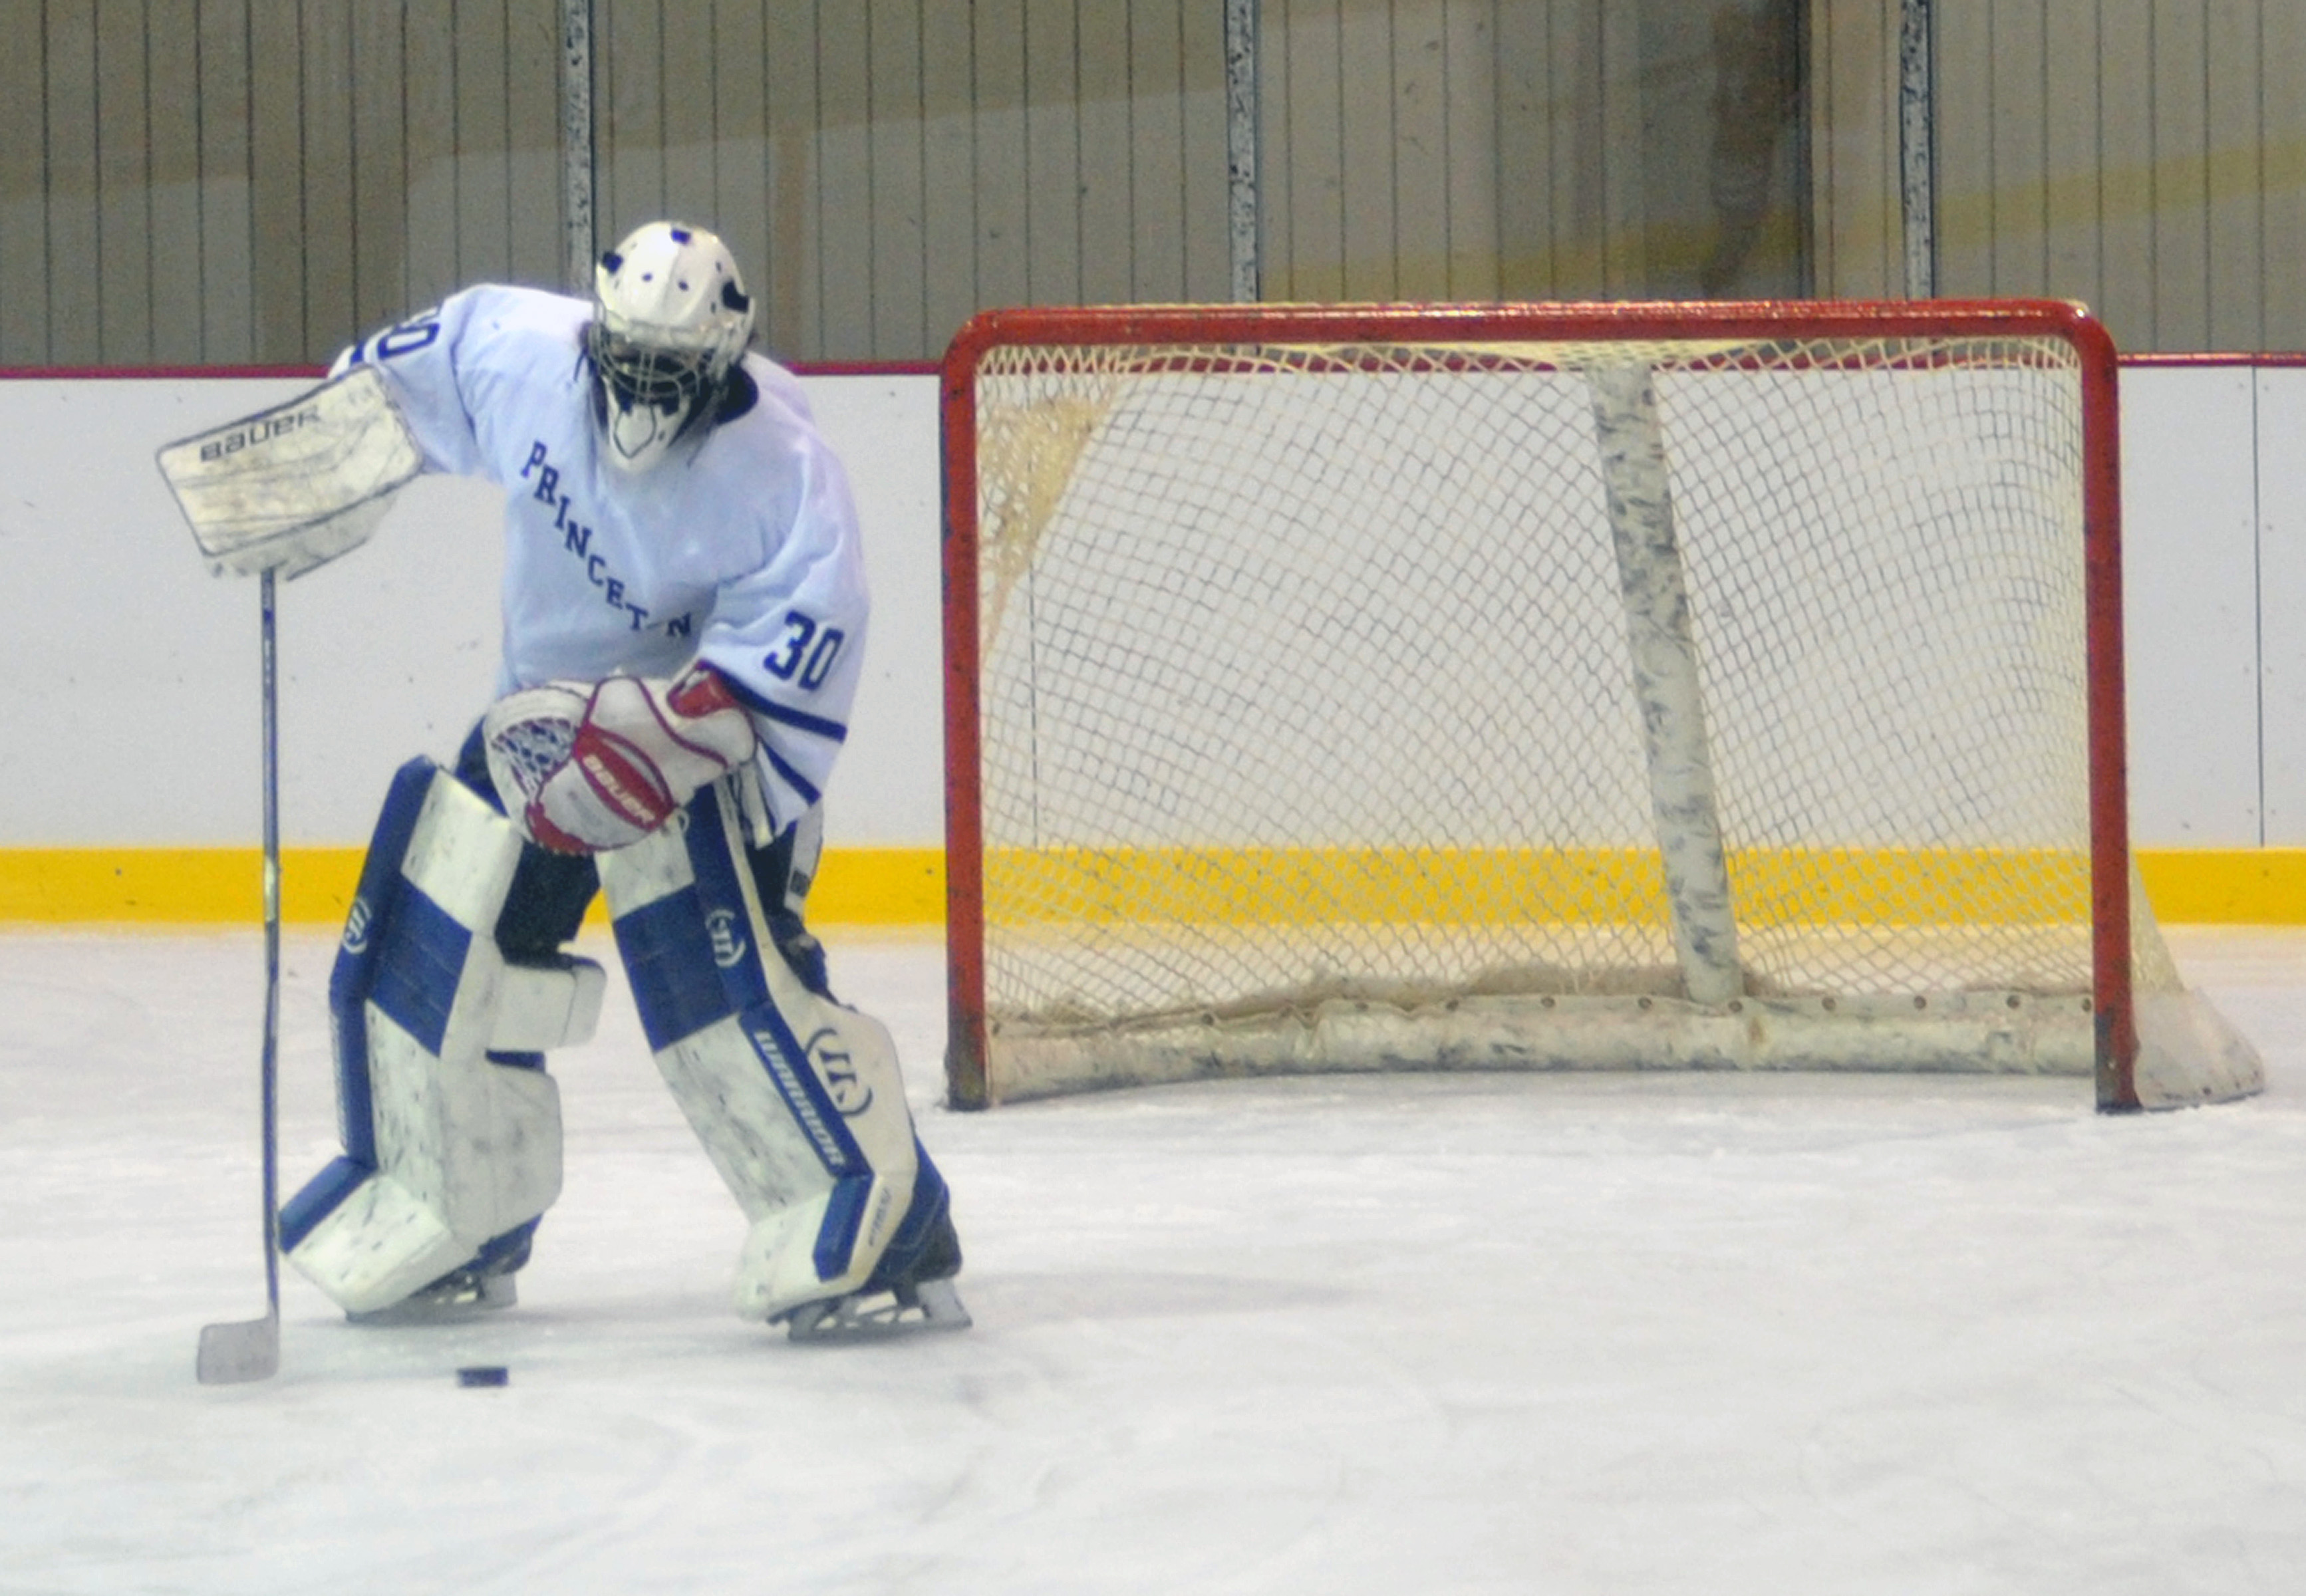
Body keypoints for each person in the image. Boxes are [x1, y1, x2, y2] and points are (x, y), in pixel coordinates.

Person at [272, 221, 965, 1341]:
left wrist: (672, 734)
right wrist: (315, 468)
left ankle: (880, 1210)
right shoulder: (518, 349)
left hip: (701, 761)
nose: (641, 391)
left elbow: (808, 638)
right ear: (598, 337)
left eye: (670, 372)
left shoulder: (783, 466)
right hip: (541, 728)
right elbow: (393, 385)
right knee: (436, 953)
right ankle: (456, 1201)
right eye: (626, 363)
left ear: (723, 357)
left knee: (726, 1003)